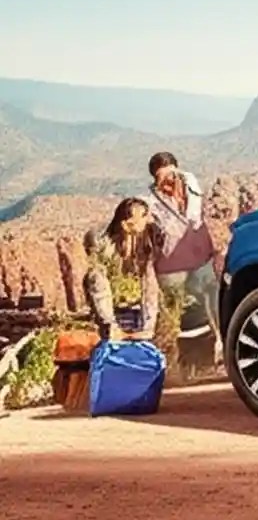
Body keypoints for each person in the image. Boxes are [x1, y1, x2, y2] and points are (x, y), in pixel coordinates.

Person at [144, 152, 221, 364]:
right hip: (172, 267)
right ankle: (187, 361)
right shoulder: (151, 203)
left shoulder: (191, 185)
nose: (169, 180)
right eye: (162, 177)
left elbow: (195, 215)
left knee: (213, 302)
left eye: (172, 174)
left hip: (201, 258)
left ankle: (219, 350)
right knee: (182, 314)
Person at [84, 197, 166, 341]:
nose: (148, 219)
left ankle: (146, 328)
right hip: (112, 302)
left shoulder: (151, 236)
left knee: (150, 274)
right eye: (143, 215)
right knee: (96, 277)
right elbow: (97, 281)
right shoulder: (104, 244)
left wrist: (148, 326)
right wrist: (110, 323)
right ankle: (111, 327)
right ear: (126, 224)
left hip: (141, 304)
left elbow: (151, 284)